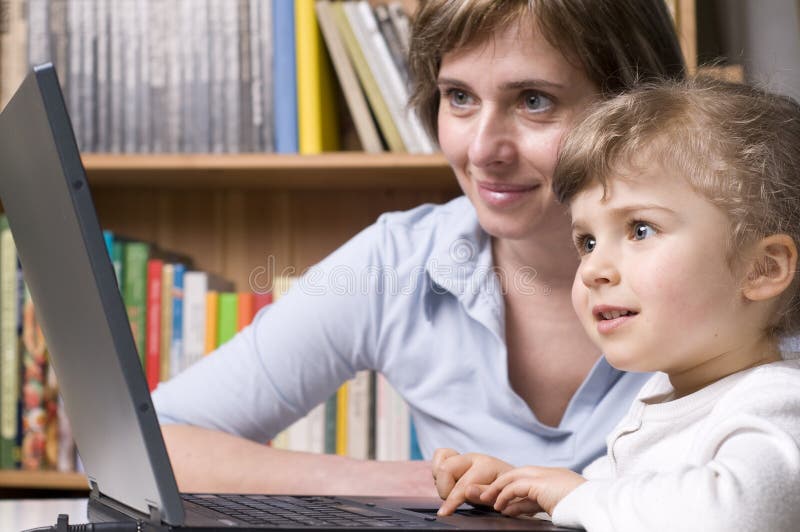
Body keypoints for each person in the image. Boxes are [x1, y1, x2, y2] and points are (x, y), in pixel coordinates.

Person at [152, 0, 686, 496]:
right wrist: (411, 487)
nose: (480, 150)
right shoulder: (399, 262)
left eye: (533, 101)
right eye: (459, 97)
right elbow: (154, 442)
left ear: (638, 110)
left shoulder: (732, 269)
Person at [433, 77, 800, 531]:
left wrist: (578, 495)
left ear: (761, 269)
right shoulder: (656, 398)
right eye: (586, 241)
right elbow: (616, 509)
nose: (591, 269)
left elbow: (737, 514)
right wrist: (527, 490)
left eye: (640, 229)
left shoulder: (778, 402)